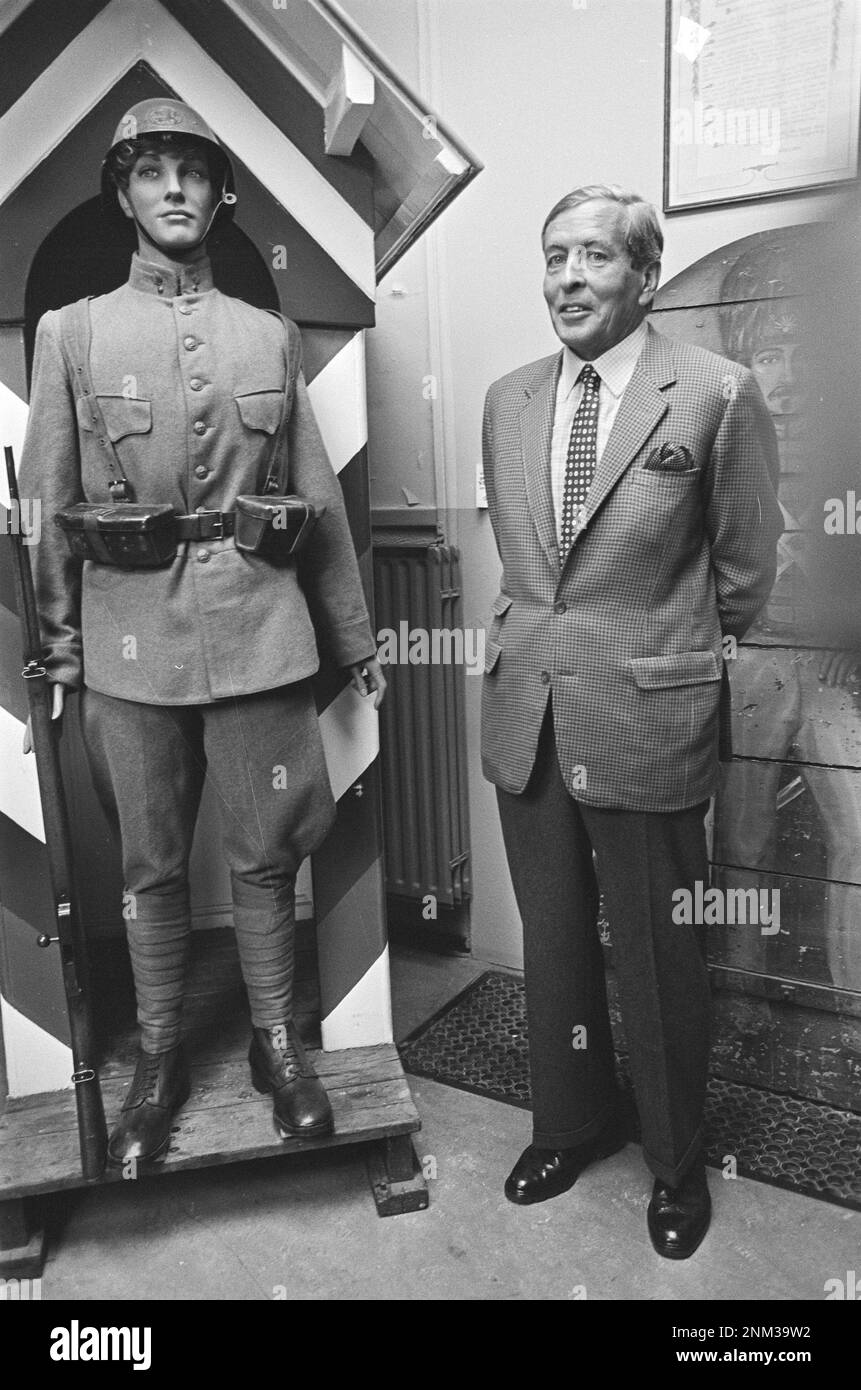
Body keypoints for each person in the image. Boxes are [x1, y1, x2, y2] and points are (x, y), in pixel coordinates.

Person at [19, 99, 385, 1165]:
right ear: (124, 195)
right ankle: (160, 1056)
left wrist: (355, 639)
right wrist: (62, 649)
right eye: (151, 172)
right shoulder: (73, 333)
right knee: (149, 864)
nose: (174, 189)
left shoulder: (268, 335)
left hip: (264, 634)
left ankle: (279, 1046)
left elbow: (313, 499)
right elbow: (44, 499)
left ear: (223, 195)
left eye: (192, 171)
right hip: (129, 639)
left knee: (268, 853)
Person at [480, 184, 782, 1258]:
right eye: (555, 254)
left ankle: (674, 1160)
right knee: (555, 943)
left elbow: (745, 570)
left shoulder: (714, 393)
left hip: (649, 718)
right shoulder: (506, 399)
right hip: (529, 715)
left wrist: (672, 657)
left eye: (595, 256)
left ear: (644, 278)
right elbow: (531, 575)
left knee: (657, 958)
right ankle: (569, 1122)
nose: (568, 276)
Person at [714, 238, 861, 997]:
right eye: (769, 356)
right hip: (752, 663)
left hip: (838, 673)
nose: (788, 376)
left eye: (799, 353)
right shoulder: (725, 443)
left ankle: (850, 1001)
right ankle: (739, 988)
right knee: (742, 834)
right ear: (744, 361)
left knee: (859, 837)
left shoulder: (850, 446)